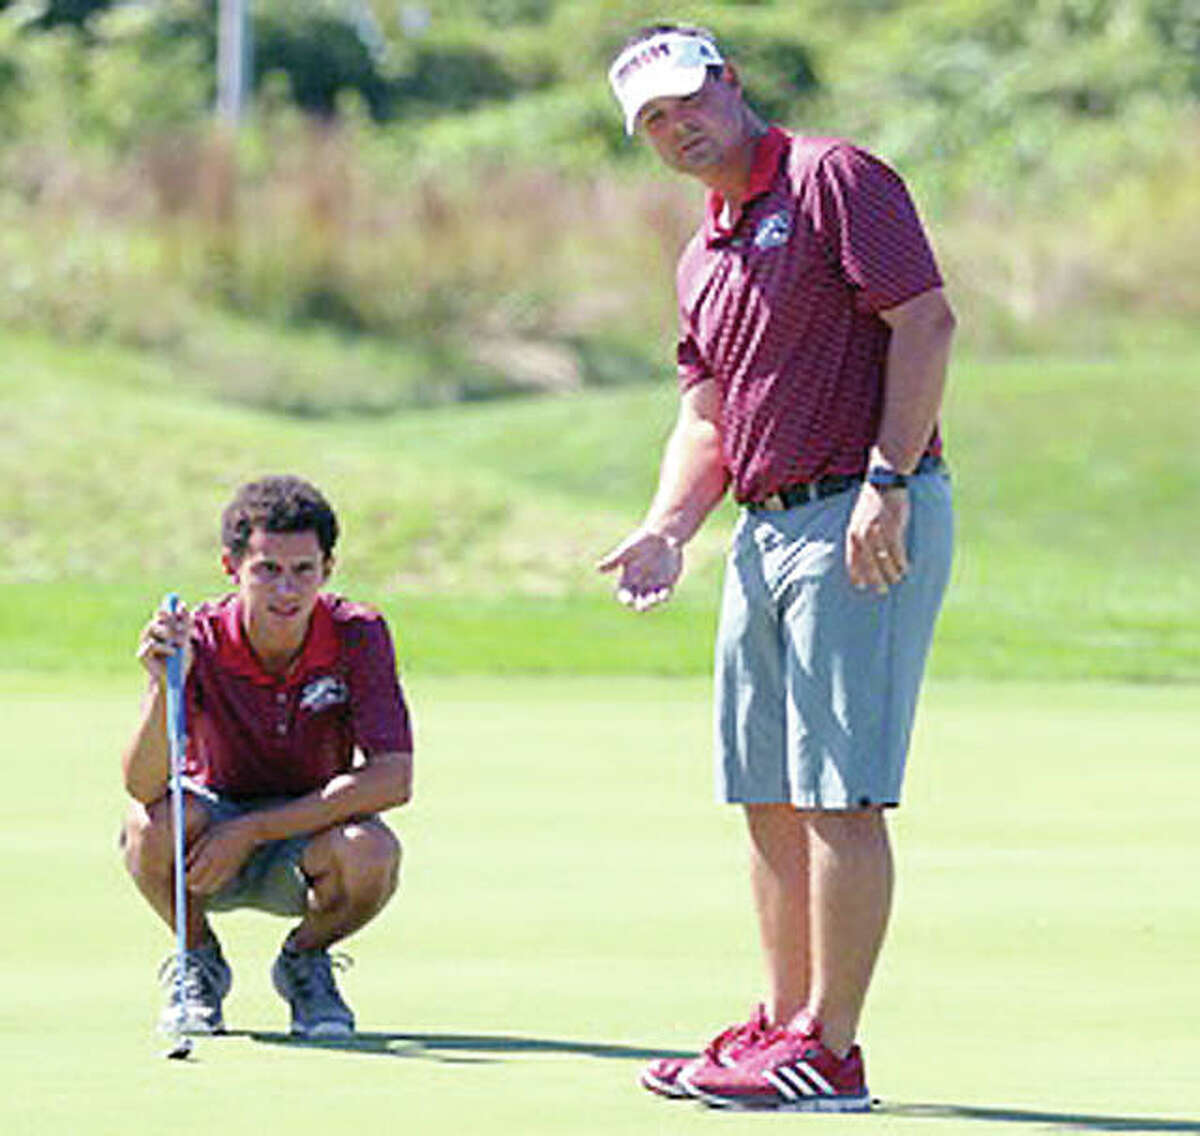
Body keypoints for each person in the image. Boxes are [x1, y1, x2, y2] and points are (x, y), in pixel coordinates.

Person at [599, 25, 956, 1112]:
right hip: (761, 530)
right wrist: (667, 525)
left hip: (863, 514)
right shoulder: (702, 252)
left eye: (686, 101)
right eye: (653, 119)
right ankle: (780, 1019)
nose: (676, 127)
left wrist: (886, 479)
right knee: (763, 790)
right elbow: (704, 415)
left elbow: (925, 321)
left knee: (837, 793)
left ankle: (831, 1048)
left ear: (731, 83)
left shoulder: (832, 177)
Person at [121, 475, 414, 1039]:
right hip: (207, 831)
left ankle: (305, 962)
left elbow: (392, 779)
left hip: (309, 829)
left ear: (328, 568)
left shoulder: (360, 634)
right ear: (232, 569)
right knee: (147, 826)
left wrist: (253, 830)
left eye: (304, 570)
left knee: (372, 851)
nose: (287, 590)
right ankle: (198, 961)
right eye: (267, 570)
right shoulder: (198, 637)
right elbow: (141, 784)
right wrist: (163, 685)